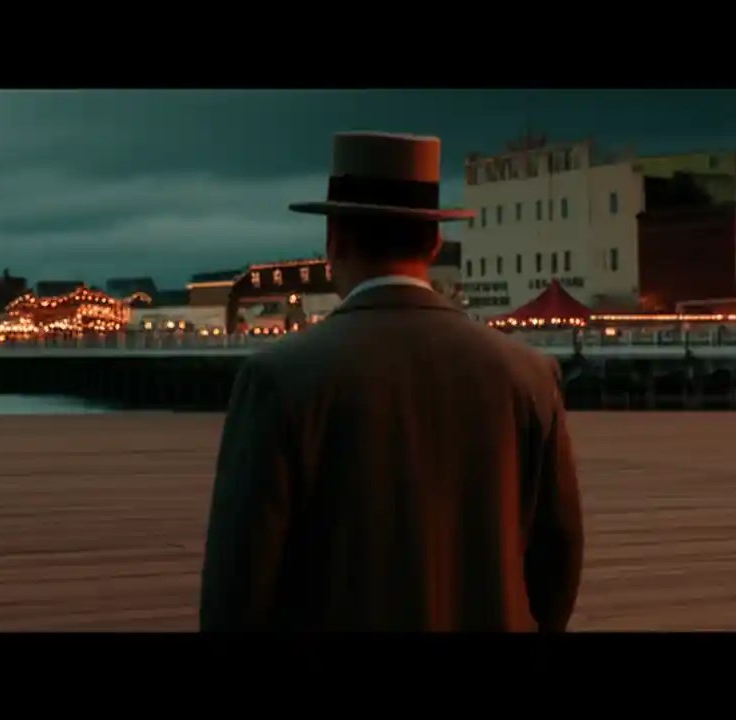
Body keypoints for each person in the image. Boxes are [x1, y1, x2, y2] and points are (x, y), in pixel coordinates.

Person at [199, 131, 583, 632]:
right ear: (435, 239)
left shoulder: (279, 377)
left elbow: (239, 584)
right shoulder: (529, 373)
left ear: (334, 239)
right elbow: (558, 558)